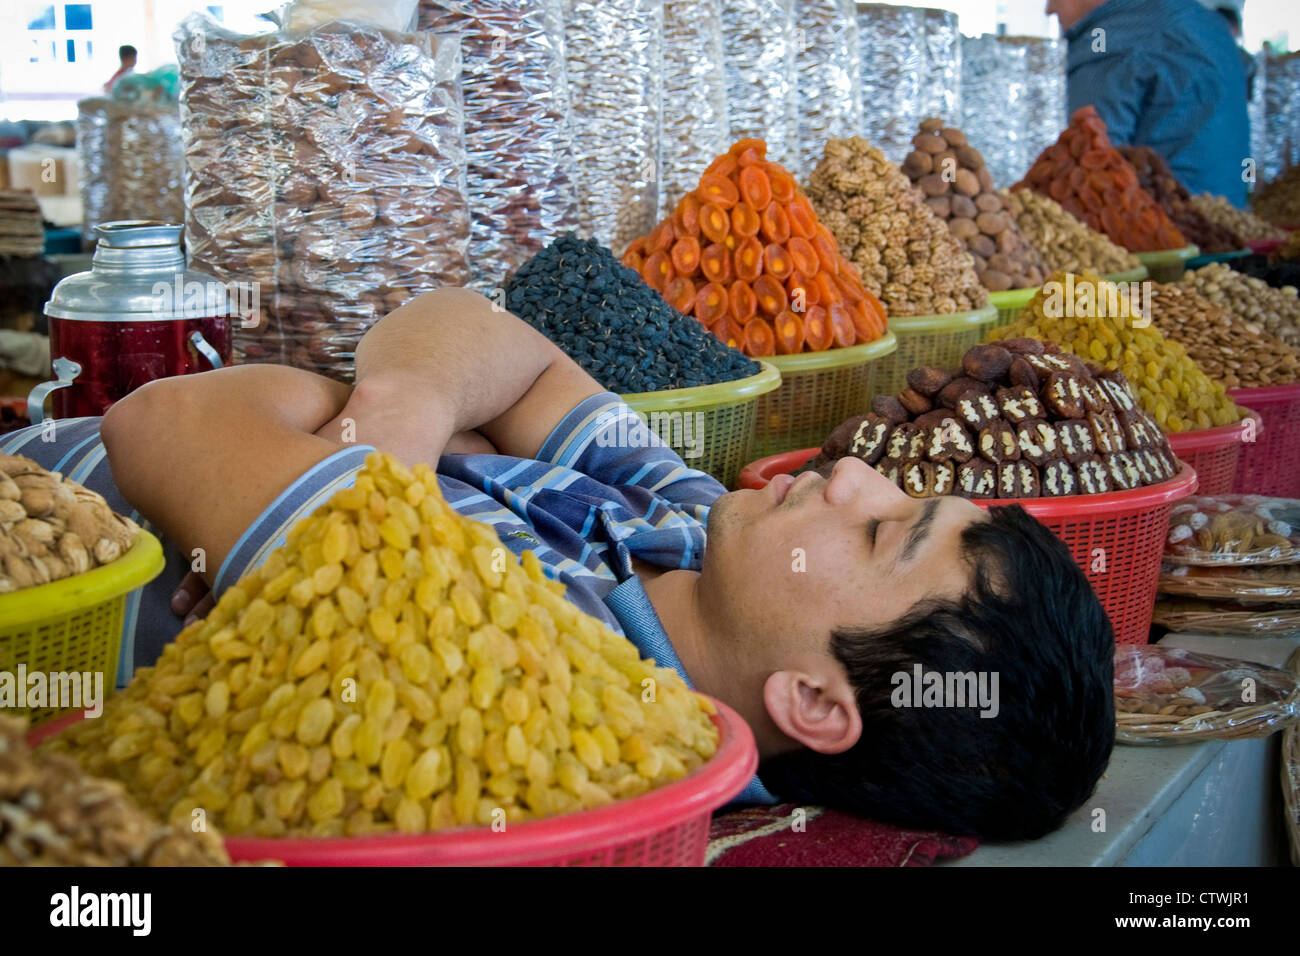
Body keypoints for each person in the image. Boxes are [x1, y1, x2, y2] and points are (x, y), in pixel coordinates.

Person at [1, 289, 1116, 840]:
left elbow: (169, 420)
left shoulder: (504, 662)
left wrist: (372, 422)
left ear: (815, 704)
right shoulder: (694, 527)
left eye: (881, 532)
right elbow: (475, 326)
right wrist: (406, 417)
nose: (855, 473)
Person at [1047, 0, 1250, 206]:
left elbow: (1081, 171)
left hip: (1165, 229)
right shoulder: (1206, 23)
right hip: (1229, 226)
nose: (1049, 9)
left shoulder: (1115, 38)